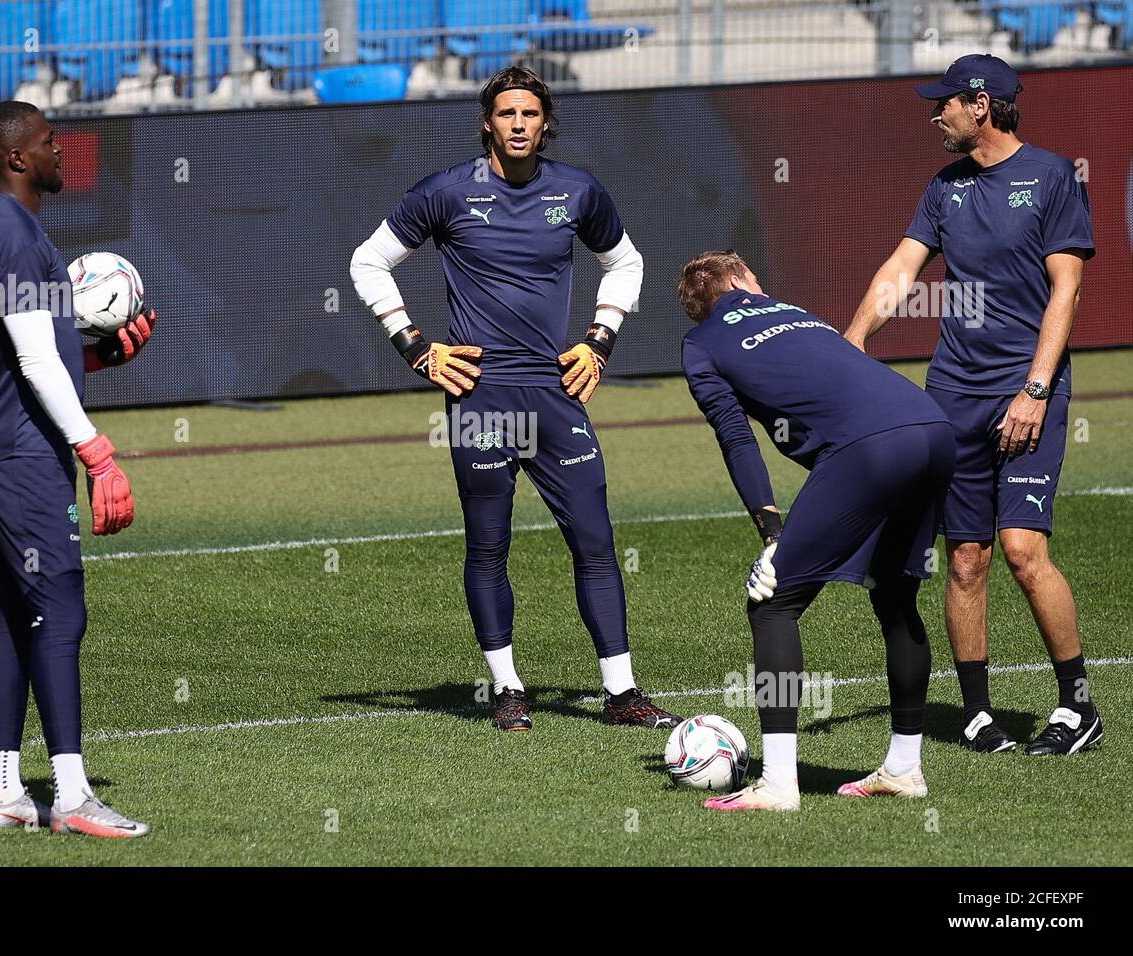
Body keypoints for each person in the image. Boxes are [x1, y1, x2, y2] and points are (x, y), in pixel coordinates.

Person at [349, 67, 678, 732]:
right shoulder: (445, 192)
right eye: (507, 114)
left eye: (530, 113)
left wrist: (599, 340)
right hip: (480, 395)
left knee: (594, 540)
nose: (520, 124)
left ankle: (622, 693)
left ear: (546, 121)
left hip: (556, 394)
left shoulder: (578, 190)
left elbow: (627, 262)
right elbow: (366, 261)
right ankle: (507, 690)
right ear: (488, 123)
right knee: (489, 546)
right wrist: (416, 347)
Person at [845, 54, 1101, 756]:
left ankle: (1079, 707)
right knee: (964, 558)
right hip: (952, 393)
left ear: (981, 104)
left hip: (1027, 389)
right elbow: (903, 268)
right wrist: (856, 337)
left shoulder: (1050, 177)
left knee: (1022, 550)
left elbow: (1067, 291)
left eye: (945, 104)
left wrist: (1036, 389)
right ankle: (980, 714)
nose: (936, 114)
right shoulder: (944, 187)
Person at [678, 251, 953, 811]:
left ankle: (779, 784)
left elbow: (737, 437)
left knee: (773, 604)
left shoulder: (701, 342)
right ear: (739, 282)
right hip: (932, 428)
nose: (760, 280)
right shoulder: (795, 311)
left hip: (871, 449)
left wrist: (770, 533)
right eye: (755, 274)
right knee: (896, 595)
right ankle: (903, 769)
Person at [0, 100, 155, 836]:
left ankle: (5, 792)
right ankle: (72, 799)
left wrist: (101, 356)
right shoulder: (11, 233)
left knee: (16, 611)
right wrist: (97, 451)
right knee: (59, 608)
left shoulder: (7, 228)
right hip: (18, 451)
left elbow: (34, 354)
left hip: (6, 441)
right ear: (15, 158)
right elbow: (36, 356)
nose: (59, 150)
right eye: (48, 142)